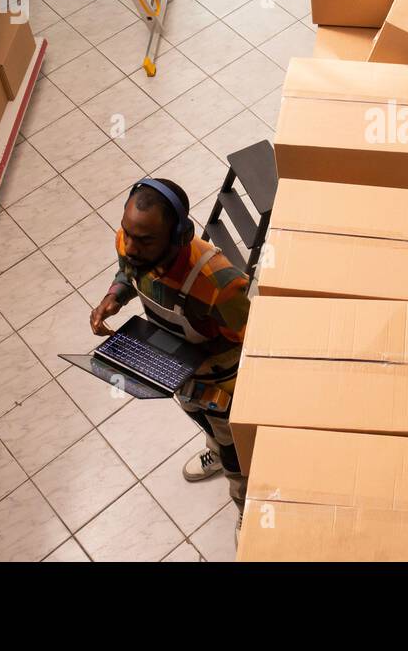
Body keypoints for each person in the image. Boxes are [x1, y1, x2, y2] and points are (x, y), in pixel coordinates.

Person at [89, 178, 250, 542]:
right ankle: (214, 448)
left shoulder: (218, 283)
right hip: (177, 367)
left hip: (222, 377)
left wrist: (187, 358)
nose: (129, 247)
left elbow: (249, 339)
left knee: (235, 445)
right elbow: (128, 273)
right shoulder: (130, 243)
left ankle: (246, 503)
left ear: (178, 236)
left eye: (144, 240)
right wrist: (113, 297)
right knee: (201, 419)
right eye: (127, 233)